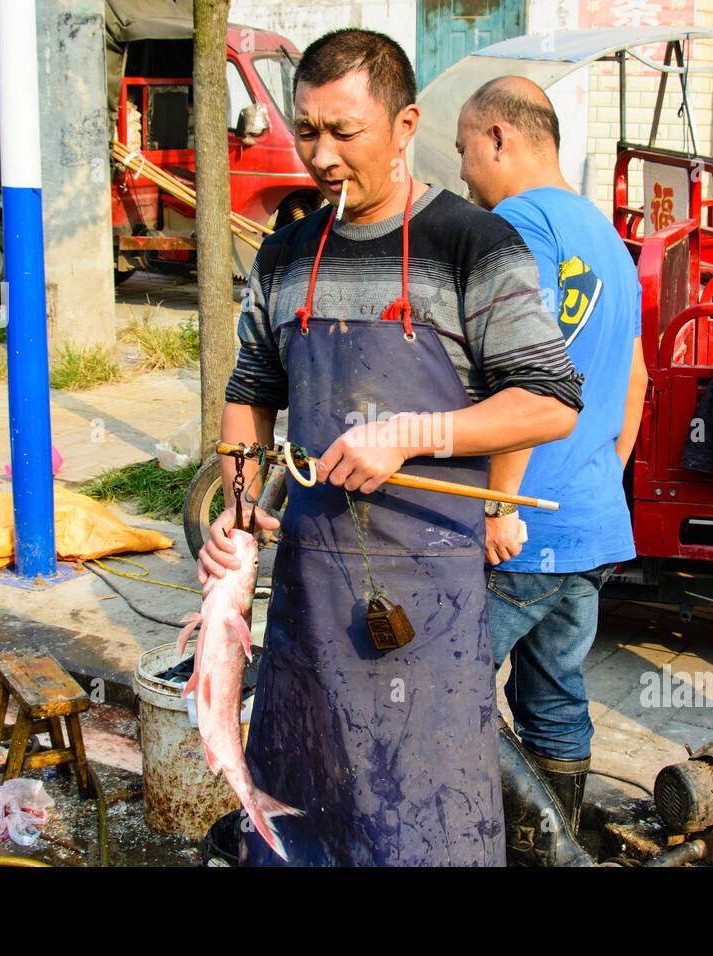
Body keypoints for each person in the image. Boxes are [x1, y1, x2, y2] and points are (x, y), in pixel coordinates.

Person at [198, 29, 583, 867]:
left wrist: (415, 434)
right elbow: (247, 398)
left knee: (423, 829)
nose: (322, 155)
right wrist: (233, 524)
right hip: (306, 600)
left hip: (427, 608)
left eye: (345, 131)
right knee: (303, 822)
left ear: (405, 125)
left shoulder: (475, 247)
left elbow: (550, 403)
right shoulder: (286, 253)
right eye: (307, 131)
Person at [455, 76, 645, 844]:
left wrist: (503, 501)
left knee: (442, 684)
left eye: (467, 150)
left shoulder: (516, 222)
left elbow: (522, 373)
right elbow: (635, 377)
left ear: (499, 137)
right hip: (592, 521)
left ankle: (543, 853)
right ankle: (556, 836)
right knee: (555, 698)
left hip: (525, 524)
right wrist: (599, 472)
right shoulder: (606, 236)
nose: (465, 171)